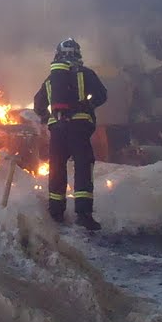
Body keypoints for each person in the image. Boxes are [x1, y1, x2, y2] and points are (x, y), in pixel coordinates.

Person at [32, 38, 109, 230]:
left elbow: (38, 103)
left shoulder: (51, 79)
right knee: (83, 166)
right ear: (77, 54)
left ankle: (56, 211)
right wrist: (88, 105)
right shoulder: (85, 74)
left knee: (57, 167)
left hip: (57, 129)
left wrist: (46, 117)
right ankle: (83, 214)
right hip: (79, 127)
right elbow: (102, 94)